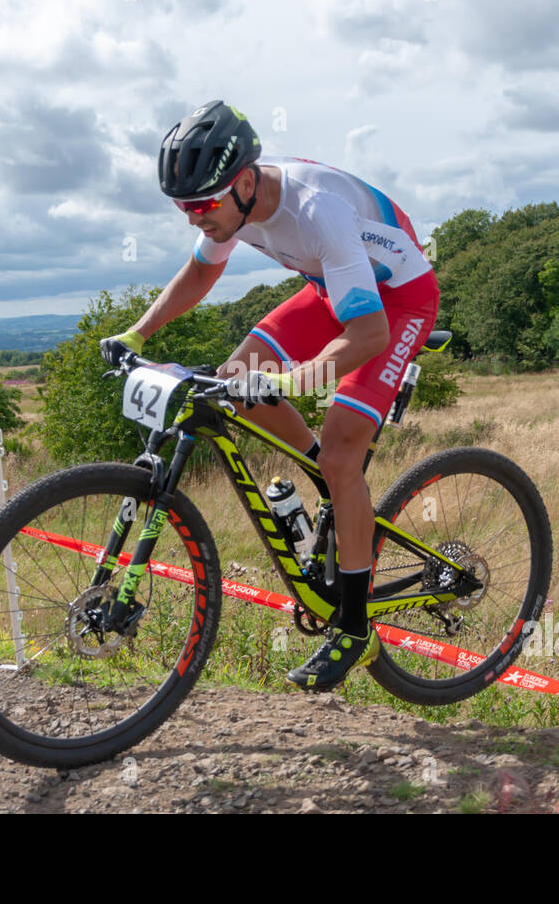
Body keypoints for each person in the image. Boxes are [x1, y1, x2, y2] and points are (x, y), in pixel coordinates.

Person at [100, 99, 439, 691]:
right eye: (182, 207)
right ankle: (328, 484)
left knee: (341, 454)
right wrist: (137, 333)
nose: (192, 218)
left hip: (398, 301)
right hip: (331, 287)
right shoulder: (233, 202)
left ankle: (356, 629)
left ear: (246, 183)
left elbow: (368, 335)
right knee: (232, 385)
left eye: (200, 205)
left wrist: (289, 381)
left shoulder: (317, 212)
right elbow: (202, 273)